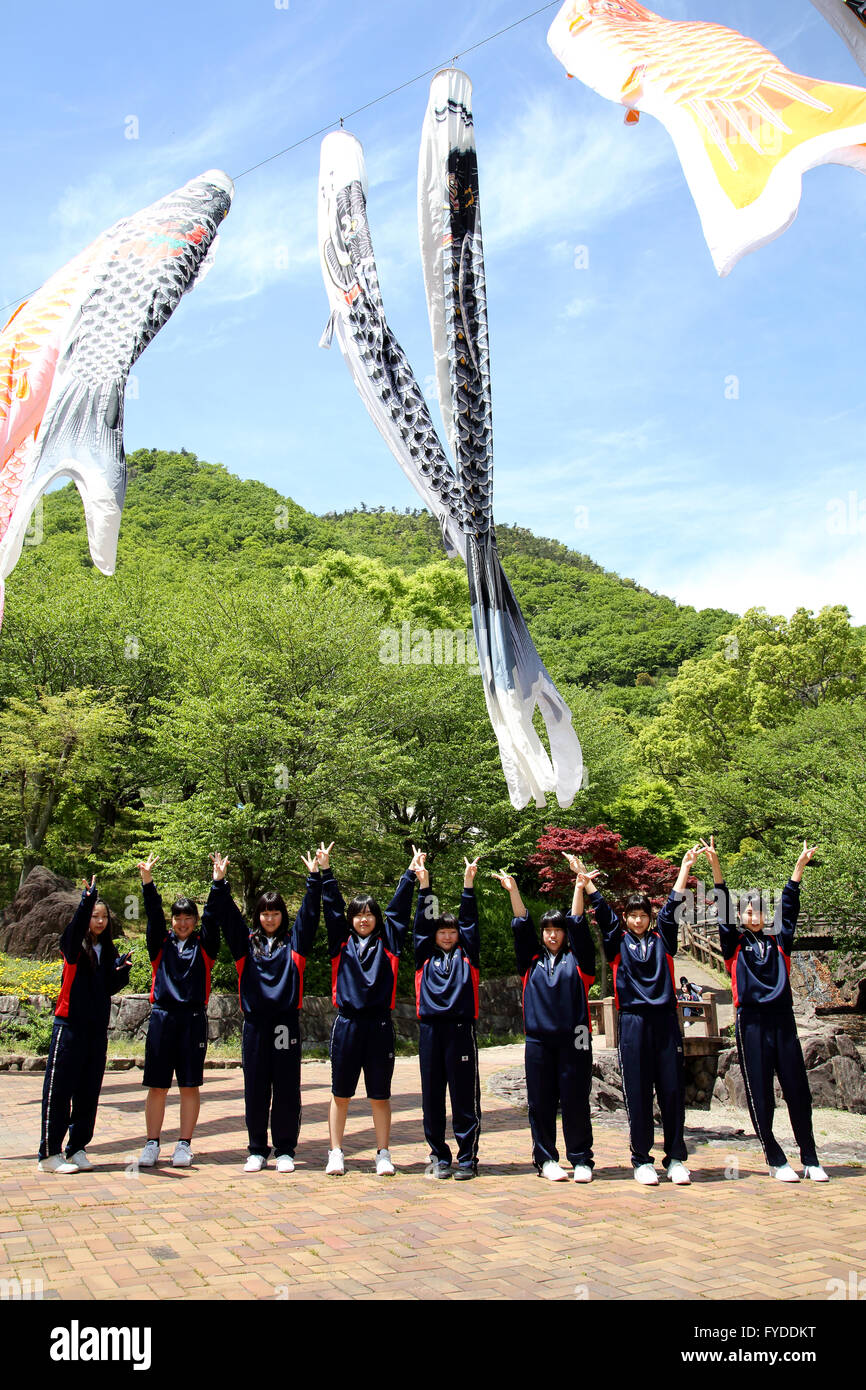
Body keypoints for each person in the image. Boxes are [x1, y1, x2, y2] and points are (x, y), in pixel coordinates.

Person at [704, 836, 828, 1182]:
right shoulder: (734, 944)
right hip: (751, 1022)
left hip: (782, 1019)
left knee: (797, 1089)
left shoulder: (779, 941)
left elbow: (790, 904)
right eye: (746, 910)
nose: (752, 915)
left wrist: (799, 867)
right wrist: (715, 865)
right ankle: (775, 1158)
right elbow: (723, 903)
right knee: (760, 1092)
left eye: (757, 910)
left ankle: (811, 1156)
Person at [206, 845, 325, 1173]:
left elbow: (310, 916)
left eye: (275, 913)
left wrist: (314, 879)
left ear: (282, 916)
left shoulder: (294, 944)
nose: (270, 918)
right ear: (258, 916)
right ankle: (257, 1148)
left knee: (286, 1087)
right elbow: (228, 918)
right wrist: (219, 883)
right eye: (264, 913)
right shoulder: (246, 945)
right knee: (255, 1086)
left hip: (286, 1023)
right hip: (255, 1025)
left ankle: (285, 1149)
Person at [594, 846, 697, 1186]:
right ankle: (641, 1159)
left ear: (650, 917)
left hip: (665, 1020)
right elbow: (602, 913)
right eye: (632, 915)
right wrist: (587, 883)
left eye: (643, 914)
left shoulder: (662, 940)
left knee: (671, 1090)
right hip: (633, 1021)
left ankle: (676, 1158)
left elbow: (674, 906)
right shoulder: (617, 942)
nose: (638, 919)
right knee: (637, 1092)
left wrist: (684, 869)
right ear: (625, 918)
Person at [491, 861, 595, 1183]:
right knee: (540, 1101)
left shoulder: (579, 961)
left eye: (558, 929)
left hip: (576, 1036)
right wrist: (514, 891)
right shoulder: (531, 962)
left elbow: (579, 923)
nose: (552, 934)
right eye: (548, 930)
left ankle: (581, 1159)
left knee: (576, 1099)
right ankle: (546, 1159)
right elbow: (521, 924)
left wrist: (578, 888)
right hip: (538, 1040)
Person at [320, 846, 420, 1176]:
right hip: (347, 1025)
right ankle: (336, 1151)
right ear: (352, 919)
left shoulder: (389, 942)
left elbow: (400, 912)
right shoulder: (341, 943)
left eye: (369, 914)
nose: (363, 919)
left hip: (379, 1026)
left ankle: (383, 1152)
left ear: (376, 919)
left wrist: (409, 875)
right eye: (358, 914)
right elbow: (332, 910)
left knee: (380, 1094)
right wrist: (327, 873)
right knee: (341, 1092)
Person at [38, 877, 131, 1172]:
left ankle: (77, 1147)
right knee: (59, 1090)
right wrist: (87, 900)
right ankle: (49, 1154)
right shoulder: (74, 947)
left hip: (95, 1029)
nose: (100, 921)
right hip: (69, 1026)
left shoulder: (108, 950)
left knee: (88, 1092)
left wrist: (122, 972)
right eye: (95, 916)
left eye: (104, 917)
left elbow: (108, 989)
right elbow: (74, 930)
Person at [137, 853, 220, 1168]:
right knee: (157, 1085)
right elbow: (153, 914)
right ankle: (152, 1143)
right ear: (172, 921)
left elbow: (213, 918)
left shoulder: (205, 948)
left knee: (189, 1084)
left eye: (188, 918)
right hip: (162, 1017)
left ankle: (184, 1144)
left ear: (195, 922)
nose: (183, 922)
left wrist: (217, 882)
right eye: (178, 918)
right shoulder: (160, 945)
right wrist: (147, 881)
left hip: (193, 1019)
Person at [414, 853, 482, 1180]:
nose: (446, 936)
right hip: (429, 1031)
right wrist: (424, 886)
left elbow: (470, 922)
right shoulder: (423, 957)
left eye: (451, 932)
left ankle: (467, 1157)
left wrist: (468, 884)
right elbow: (421, 923)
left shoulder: (467, 957)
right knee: (432, 1097)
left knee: (463, 1095)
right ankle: (439, 1156)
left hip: (460, 1029)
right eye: (441, 931)